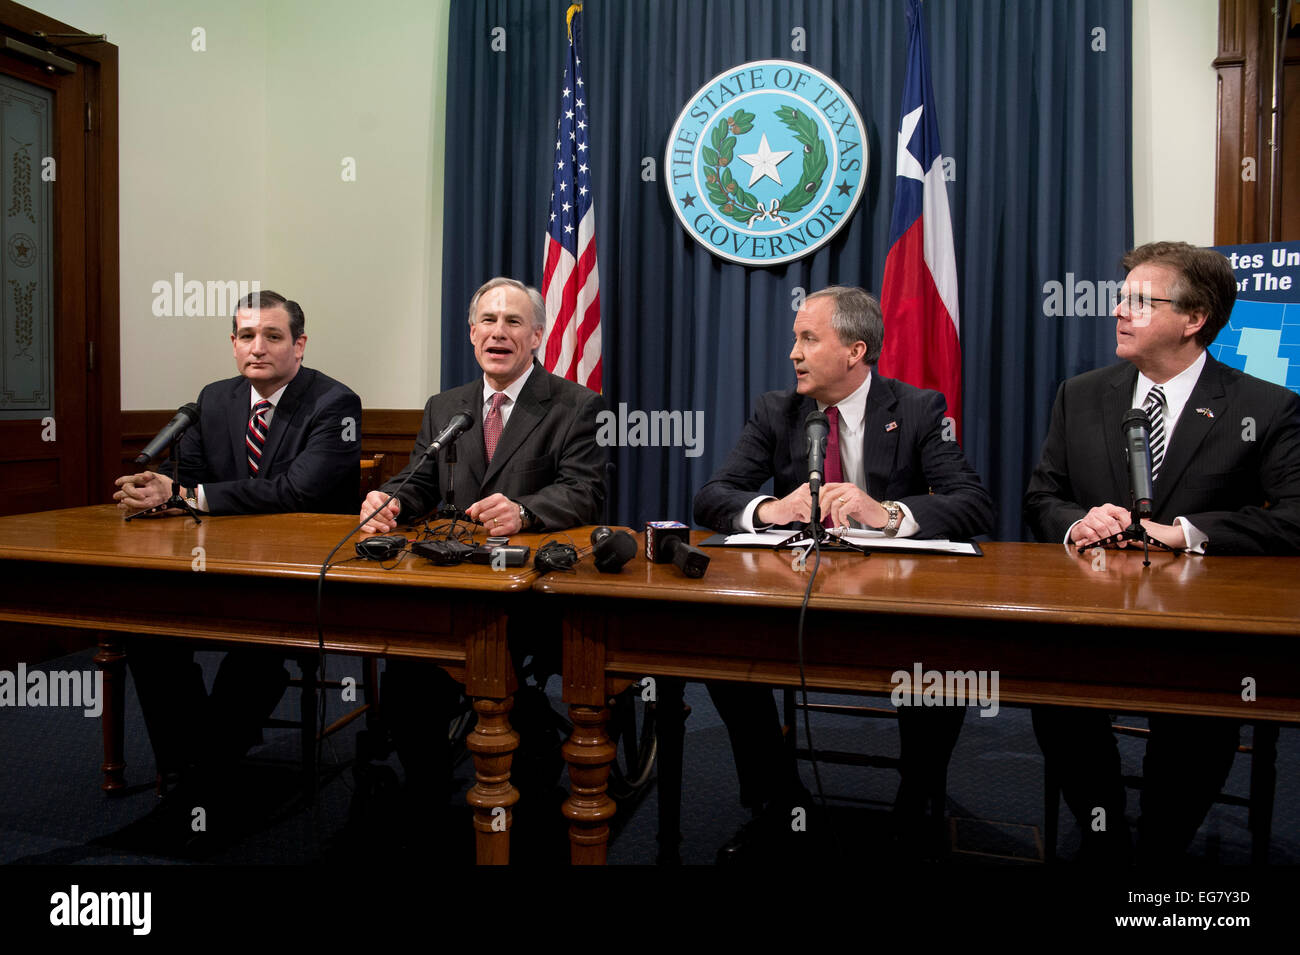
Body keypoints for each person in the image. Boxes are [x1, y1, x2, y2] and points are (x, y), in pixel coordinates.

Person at [693, 285, 994, 861]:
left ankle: (915, 800)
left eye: (808, 339)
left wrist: (889, 514)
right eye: (794, 339)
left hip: (893, 604)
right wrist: (769, 510)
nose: (793, 354)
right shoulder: (776, 411)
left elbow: (974, 504)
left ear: (855, 351)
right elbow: (713, 495)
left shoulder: (916, 409)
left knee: (947, 661)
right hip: (794, 598)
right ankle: (779, 799)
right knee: (724, 659)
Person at [1024, 241, 1300, 862]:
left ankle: (1161, 851)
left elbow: (1295, 520)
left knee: (1201, 716)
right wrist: (1077, 524)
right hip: (1089, 618)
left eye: (1140, 302)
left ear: (1194, 318)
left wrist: (1186, 533)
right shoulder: (1082, 393)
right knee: (1055, 701)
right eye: (1121, 299)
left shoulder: (1265, 407)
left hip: (1199, 627)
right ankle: (1105, 836)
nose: (1119, 312)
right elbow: (1043, 497)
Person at [359, 276, 606, 811]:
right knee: (405, 684)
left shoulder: (576, 405)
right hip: (451, 586)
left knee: (508, 688)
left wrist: (525, 511)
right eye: (488, 322)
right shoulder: (445, 405)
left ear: (537, 335)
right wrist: (389, 498)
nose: (499, 332)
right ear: (472, 334)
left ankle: (531, 783)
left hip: (532, 594)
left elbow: (585, 492)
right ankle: (427, 792)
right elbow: (421, 478)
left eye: (513, 322)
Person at [114, 289, 362, 780]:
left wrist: (186, 495)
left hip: (300, 575)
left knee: (254, 652)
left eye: (273, 336)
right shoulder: (213, 398)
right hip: (218, 564)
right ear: (233, 343)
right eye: (246, 336)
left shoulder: (335, 402)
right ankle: (193, 764)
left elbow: (298, 492)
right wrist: (163, 492)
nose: (258, 347)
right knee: (146, 633)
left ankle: (203, 774)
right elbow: (196, 479)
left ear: (300, 344)